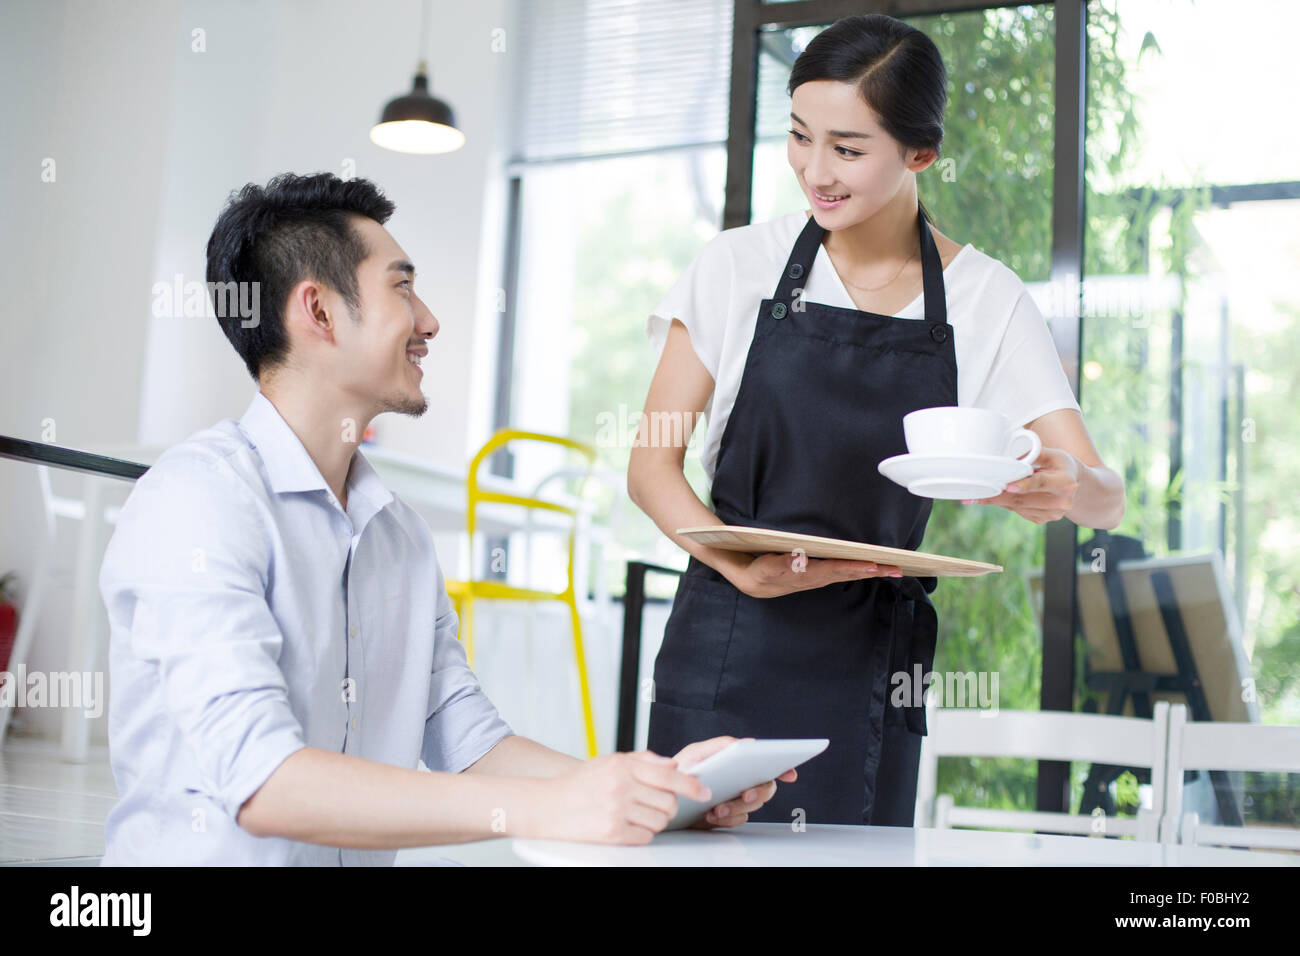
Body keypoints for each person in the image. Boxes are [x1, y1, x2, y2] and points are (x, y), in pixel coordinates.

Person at [98, 172, 792, 865]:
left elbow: (467, 741)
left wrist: (658, 792)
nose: (429, 320)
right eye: (401, 287)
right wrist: (556, 807)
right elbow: (264, 782)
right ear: (317, 311)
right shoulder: (197, 501)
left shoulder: (396, 534)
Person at [628, 14, 1125, 827]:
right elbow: (650, 466)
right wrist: (733, 564)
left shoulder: (984, 298)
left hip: (871, 663)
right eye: (799, 137)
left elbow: (1108, 495)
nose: (813, 171)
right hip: (726, 633)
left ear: (919, 153)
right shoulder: (734, 266)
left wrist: (1066, 485)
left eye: (847, 149)